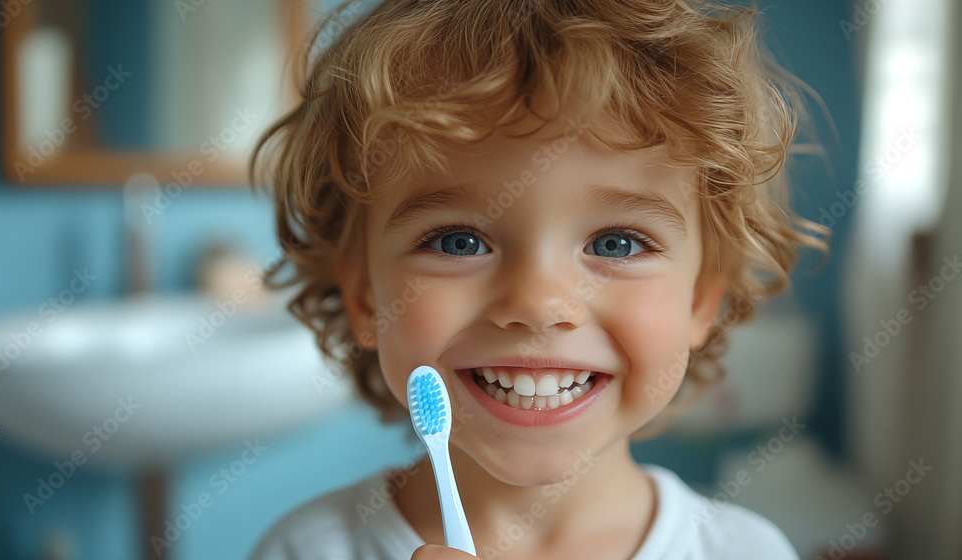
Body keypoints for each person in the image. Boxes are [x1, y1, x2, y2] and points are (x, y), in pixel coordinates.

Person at [248, 0, 829, 558]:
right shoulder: (303, 551)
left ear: (702, 299)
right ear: (365, 297)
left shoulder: (746, 552)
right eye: (459, 242)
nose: (539, 303)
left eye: (615, 244)